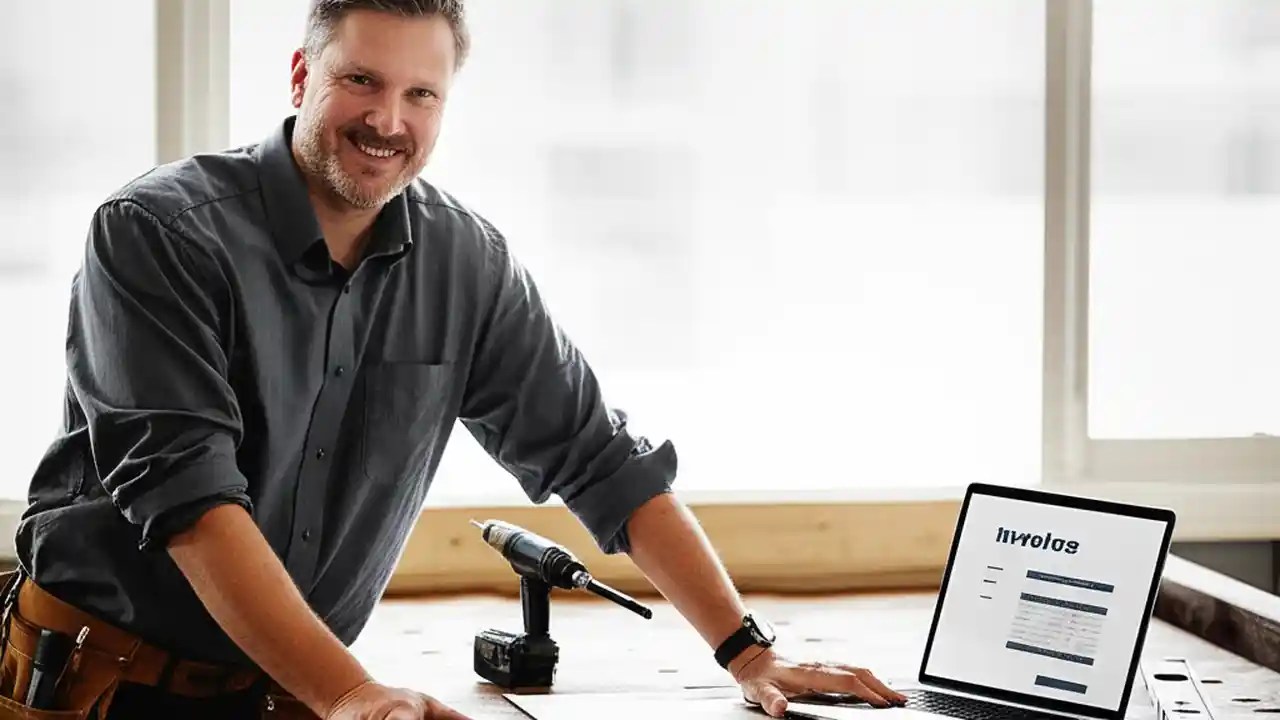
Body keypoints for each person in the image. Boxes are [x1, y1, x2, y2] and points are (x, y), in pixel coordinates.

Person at [3, 1, 908, 719]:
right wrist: (349, 690)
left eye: (420, 94)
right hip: (100, 686)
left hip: (295, 696)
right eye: (360, 80)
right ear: (300, 75)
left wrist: (749, 653)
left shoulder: (466, 265)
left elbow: (602, 462)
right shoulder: (158, 233)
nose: (387, 120)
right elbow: (190, 503)